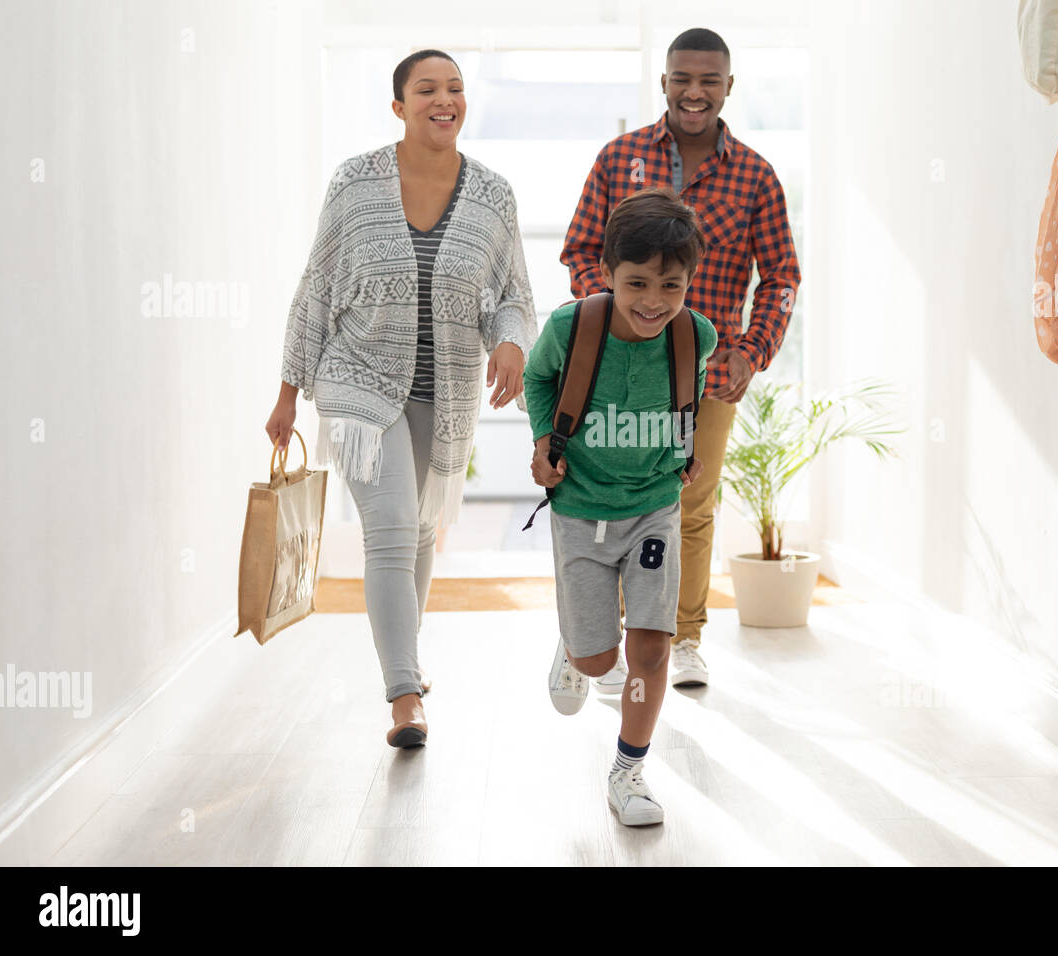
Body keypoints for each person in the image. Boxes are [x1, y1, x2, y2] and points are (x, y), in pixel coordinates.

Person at [267, 49, 538, 748]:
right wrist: (288, 395)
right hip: (356, 383)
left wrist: (510, 340)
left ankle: (405, 662)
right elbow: (316, 289)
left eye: (454, 88)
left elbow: (512, 295)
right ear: (399, 105)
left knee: (419, 532)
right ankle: (405, 697)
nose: (443, 99)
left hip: (443, 393)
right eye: (427, 89)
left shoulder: (493, 195)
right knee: (390, 529)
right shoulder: (355, 183)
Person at [561, 27, 800, 690]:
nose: (695, 93)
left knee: (689, 503)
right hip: (616, 369)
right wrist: (612, 317)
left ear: (728, 87)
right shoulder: (619, 159)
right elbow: (581, 251)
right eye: (682, 79)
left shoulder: (755, 175)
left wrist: (751, 353)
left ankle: (683, 638)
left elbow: (782, 275)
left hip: (706, 372)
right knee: (608, 499)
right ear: (664, 82)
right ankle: (595, 641)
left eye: (709, 81)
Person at [526, 188, 718, 826]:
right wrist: (541, 441)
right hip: (581, 505)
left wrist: (683, 449)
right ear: (606, 275)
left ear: (690, 281)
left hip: (654, 507)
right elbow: (538, 378)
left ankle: (630, 770)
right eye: (637, 282)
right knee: (597, 661)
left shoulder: (696, 335)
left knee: (651, 650)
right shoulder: (570, 327)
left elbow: (686, 397)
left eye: (671, 284)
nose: (654, 302)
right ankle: (576, 643)